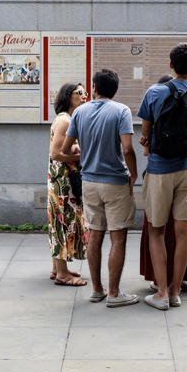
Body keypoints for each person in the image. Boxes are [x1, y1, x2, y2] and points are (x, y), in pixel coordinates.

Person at [137, 43, 187, 310]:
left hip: (159, 170)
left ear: (170, 65)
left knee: (156, 230)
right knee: (184, 231)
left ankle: (162, 292)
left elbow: (146, 133)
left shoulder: (154, 92)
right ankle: (177, 290)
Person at [60, 69, 139, 308]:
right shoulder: (121, 111)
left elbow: (65, 148)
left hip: (89, 182)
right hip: (115, 181)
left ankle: (97, 290)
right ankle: (114, 293)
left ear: (94, 87)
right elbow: (127, 148)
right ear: (115, 90)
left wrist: (87, 153)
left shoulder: (80, 112)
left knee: (95, 235)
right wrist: (133, 174)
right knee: (118, 237)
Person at [47, 82, 88, 286]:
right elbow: (55, 154)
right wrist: (78, 158)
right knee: (62, 223)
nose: (84, 96)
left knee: (59, 222)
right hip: (62, 181)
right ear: (68, 96)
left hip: (61, 179)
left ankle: (58, 268)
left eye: (85, 92)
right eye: (79, 93)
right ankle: (63, 275)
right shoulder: (65, 120)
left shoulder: (67, 119)